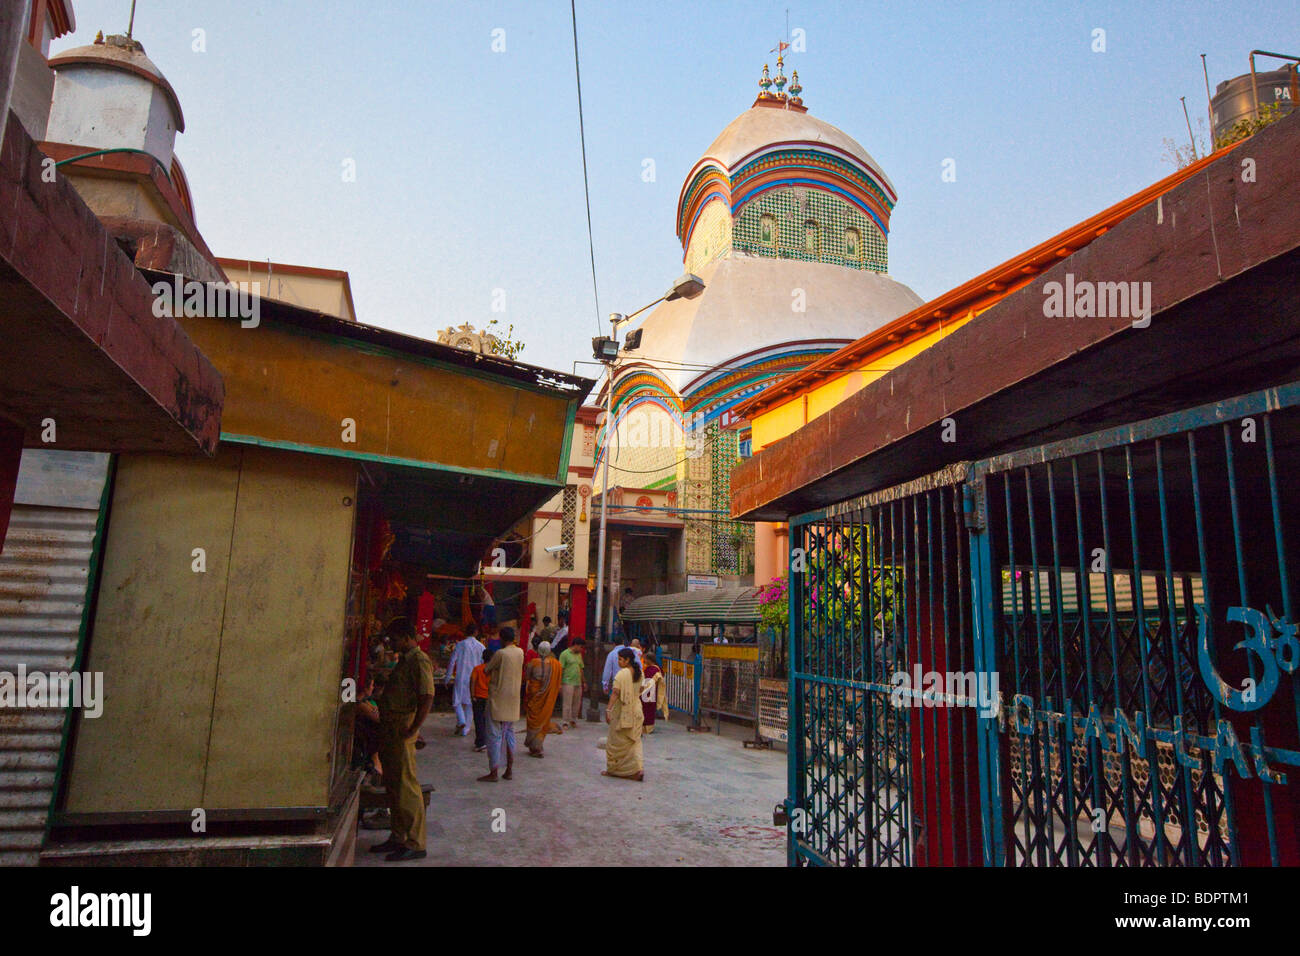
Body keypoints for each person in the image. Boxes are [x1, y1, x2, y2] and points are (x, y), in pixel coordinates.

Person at [370, 618, 434, 862]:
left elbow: (427, 696)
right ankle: (398, 836)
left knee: (407, 787)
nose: (393, 643)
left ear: (407, 637)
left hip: (402, 728)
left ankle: (417, 842)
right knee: (394, 785)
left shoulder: (419, 660)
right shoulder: (404, 661)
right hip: (391, 729)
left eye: (396, 638)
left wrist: (415, 727)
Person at [478, 626, 523, 782]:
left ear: (502, 639)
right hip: (513, 700)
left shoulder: (500, 653)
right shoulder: (520, 652)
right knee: (510, 734)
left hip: (497, 700)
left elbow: (486, 670)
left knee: (494, 737)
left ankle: (494, 772)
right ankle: (509, 770)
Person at [602, 647, 644, 781]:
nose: (618, 662)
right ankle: (638, 769)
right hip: (636, 710)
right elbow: (641, 689)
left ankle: (615, 770)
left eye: (620, 659)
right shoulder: (640, 673)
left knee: (615, 742)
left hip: (622, 712)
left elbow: (615, 693)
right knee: (634, 741)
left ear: (627, 660)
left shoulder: (622, 674)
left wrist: (608, 710)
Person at [523, 641, 563, 757]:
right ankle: (537, 745)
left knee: (533, 720)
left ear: (538, 651)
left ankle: (535, 746)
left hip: (534, 695)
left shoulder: (533, 663)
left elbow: (527, 677)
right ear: (550, 651)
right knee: (543, 720)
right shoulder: (556, 664)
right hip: (546, 698)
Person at [445, 625, 484, 737]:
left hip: (461, 677)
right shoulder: (481, 646)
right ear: (476, 632)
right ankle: (465, 729)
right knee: (470, 704)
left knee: (456, 701)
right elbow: (483, 663)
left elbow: (452, 661)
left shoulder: (460, 645)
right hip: (474, 678)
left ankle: (461, 721)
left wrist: (447, 677)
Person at [558, 639, 585, 728]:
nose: (581, 649)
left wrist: (583, 681)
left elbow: (581, 668)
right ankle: (565, 721)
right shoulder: (564, 654)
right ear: (576, 645)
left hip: (577, 681)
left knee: (576, 702)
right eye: (580, 647)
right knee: (567, 702)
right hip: (567, 681)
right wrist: (559, 683)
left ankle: (573, 719)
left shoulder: (579, 655)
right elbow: (561, 669)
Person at [470, 648, 492, 752]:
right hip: (489, 697)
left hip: (478, 697)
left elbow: (473, 682)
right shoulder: (493, 670)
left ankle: (480, 742)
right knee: (487, 721)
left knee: (478, 720)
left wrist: (472, 695)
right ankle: (487, 741)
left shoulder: (477, 669)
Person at [640, 652, 666, 733]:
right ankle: (647, 728)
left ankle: (646, 728)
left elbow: (647, 680)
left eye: (645, 659)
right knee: (649, 710)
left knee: (647, 710)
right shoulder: (656, 668)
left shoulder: (652, 669)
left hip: (648, 692)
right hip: (652, 692)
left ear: (649, 660)